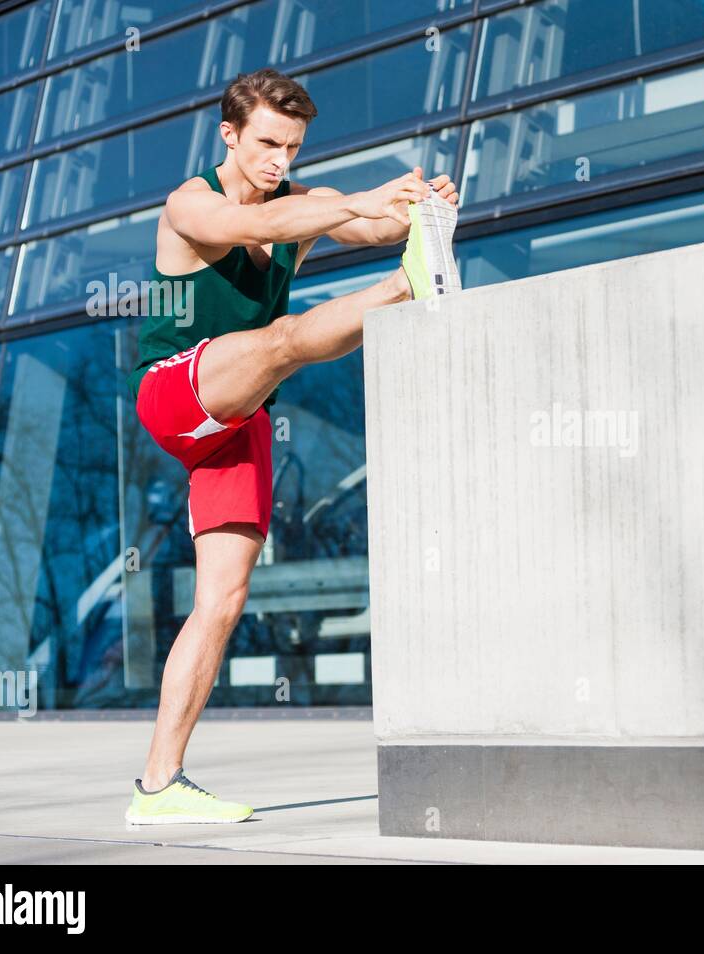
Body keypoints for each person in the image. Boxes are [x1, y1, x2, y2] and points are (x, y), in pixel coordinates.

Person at [123, 67, 459, 825]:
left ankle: (158, 786)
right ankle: (409, 291)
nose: (280, 160)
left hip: (236, 423)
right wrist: (355, 202)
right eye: (268, 143)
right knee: (278, 341)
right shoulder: (188, 203)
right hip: (175, 391)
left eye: (294, 147)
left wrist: (416, 211)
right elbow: (251, 229)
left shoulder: (303, 202)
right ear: (230, 134)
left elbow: (362, 226)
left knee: (221, 602)